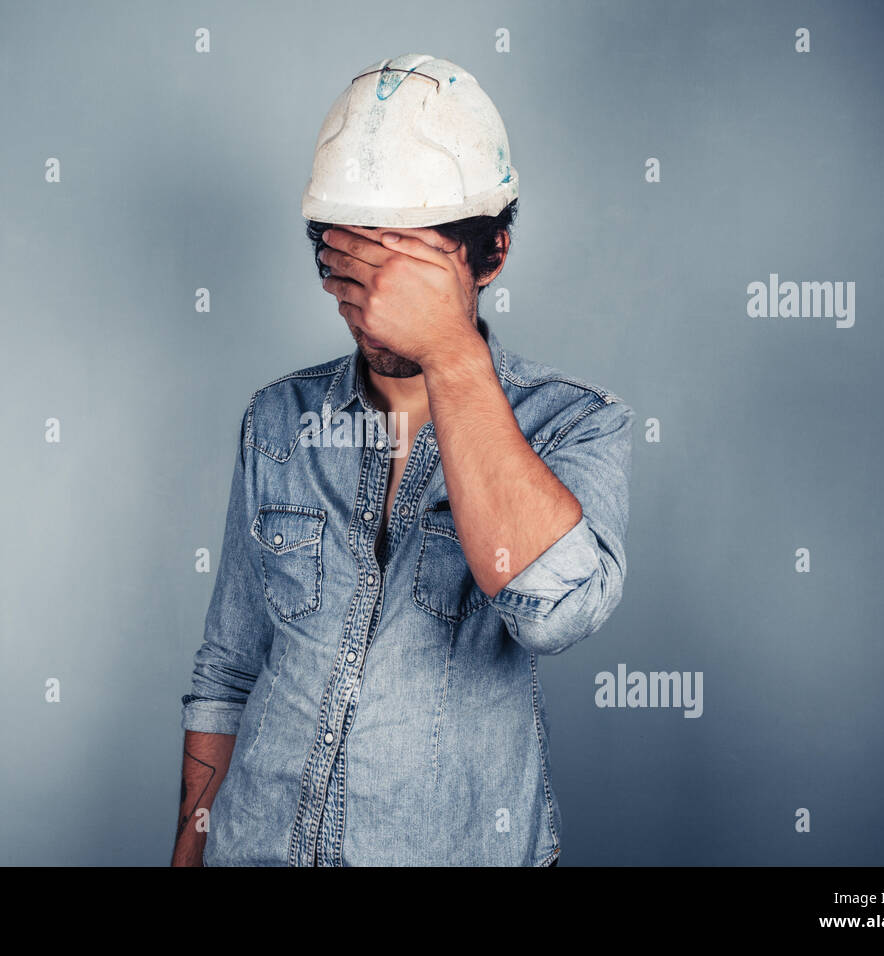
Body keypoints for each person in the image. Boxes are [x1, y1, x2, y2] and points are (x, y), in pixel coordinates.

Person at [172, 54, 634, 866]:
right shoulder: (279, 419)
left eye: (403, 278)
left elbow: (557, 611)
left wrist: (452, 356)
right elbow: (229, 664)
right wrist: (189, 849)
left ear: (489, 256)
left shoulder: (574, 423)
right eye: (345, 273)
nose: (372, 315)